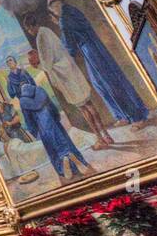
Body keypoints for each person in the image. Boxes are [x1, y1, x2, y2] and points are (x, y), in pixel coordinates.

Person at [49, 0, 149, 126]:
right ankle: (124, 115)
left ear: (57, 6)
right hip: (95, 46)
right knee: (104, 83)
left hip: (90, 51)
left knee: (109, 83)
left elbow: (69, 45)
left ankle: (136, 118)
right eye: (53, 9)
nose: (55, 11)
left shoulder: (64, 18)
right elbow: (74, 31)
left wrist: (63, 57)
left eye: (54, 8)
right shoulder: (72, 11)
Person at [25, 14, 115, 148]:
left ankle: (100, 139)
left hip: (64, 76)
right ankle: (107, 135)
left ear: (31, 26)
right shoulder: (47, 31)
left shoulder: (40, 38)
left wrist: (36, 64)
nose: (29, 32)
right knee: (89, 104)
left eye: (28, 29)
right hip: (70, 69)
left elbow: (47, 65)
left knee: (83, 109)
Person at [6, 55, 89, 179]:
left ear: (15, 61)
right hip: (44, 110)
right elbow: (13, 93)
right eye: (7, 62)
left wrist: (34, 131)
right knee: (61, 138)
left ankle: (63, 164)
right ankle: (71, 158)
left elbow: (28, 119)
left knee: (50, 142)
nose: (9, 63)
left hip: (28, 106)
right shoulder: (15, 80)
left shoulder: (23, 72)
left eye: (10, 60)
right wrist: (56, 117)